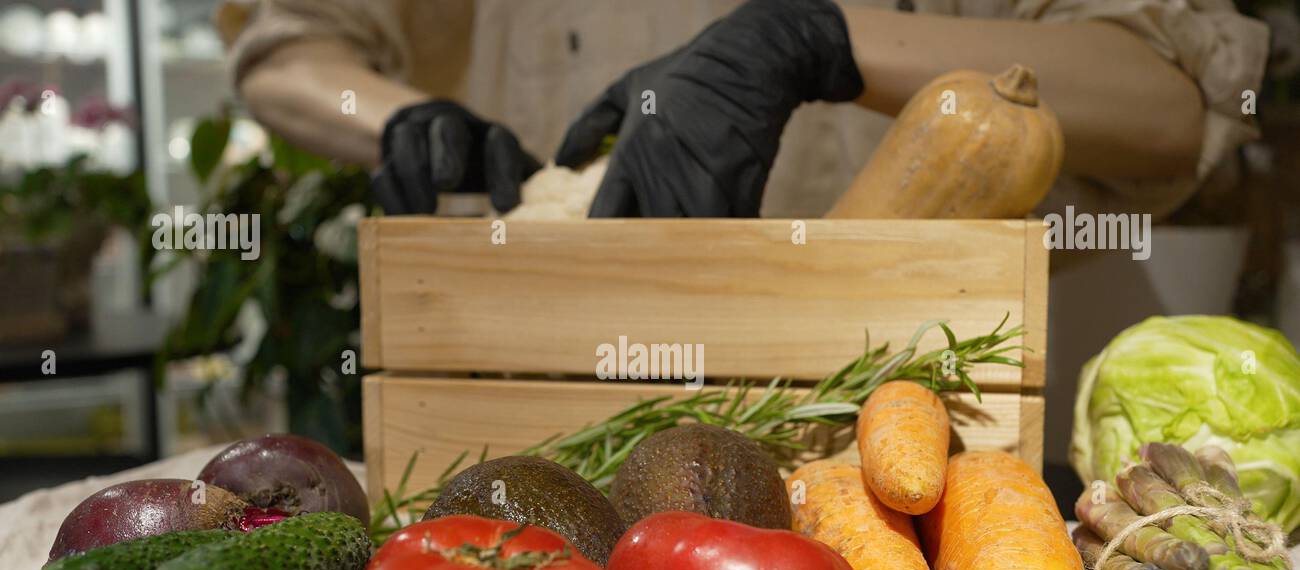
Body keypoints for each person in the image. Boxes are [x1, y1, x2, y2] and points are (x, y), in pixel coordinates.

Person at [223, 0, 1266, 221]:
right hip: (536, 430)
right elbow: (284, 53)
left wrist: (819, 41)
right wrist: (399, 117)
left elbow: (1171, 106)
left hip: (886, 450)